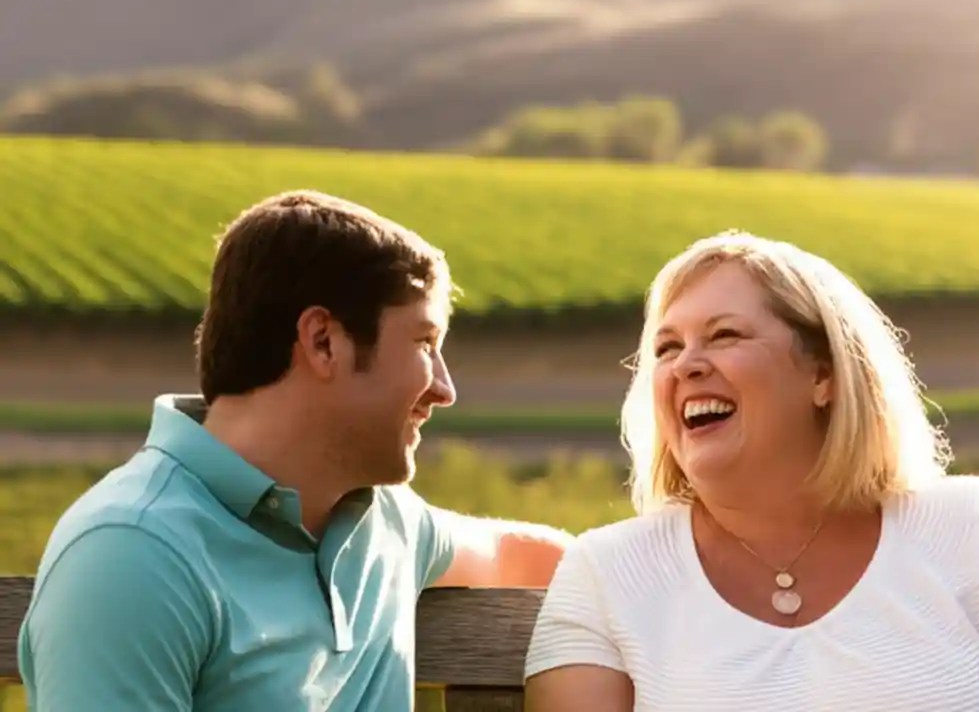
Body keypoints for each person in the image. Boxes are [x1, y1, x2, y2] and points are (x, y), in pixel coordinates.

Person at [524, 231, 979, 711]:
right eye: (666, 348)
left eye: (723, 335)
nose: (687, 365)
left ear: (824, 375)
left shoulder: (976, 528)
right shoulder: (605, 576)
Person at [18, 190, 572, 711]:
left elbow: (513, 556)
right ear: (323, 341)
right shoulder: (132, 557)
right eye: (425, 343)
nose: (444, 390)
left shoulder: (384, 523)